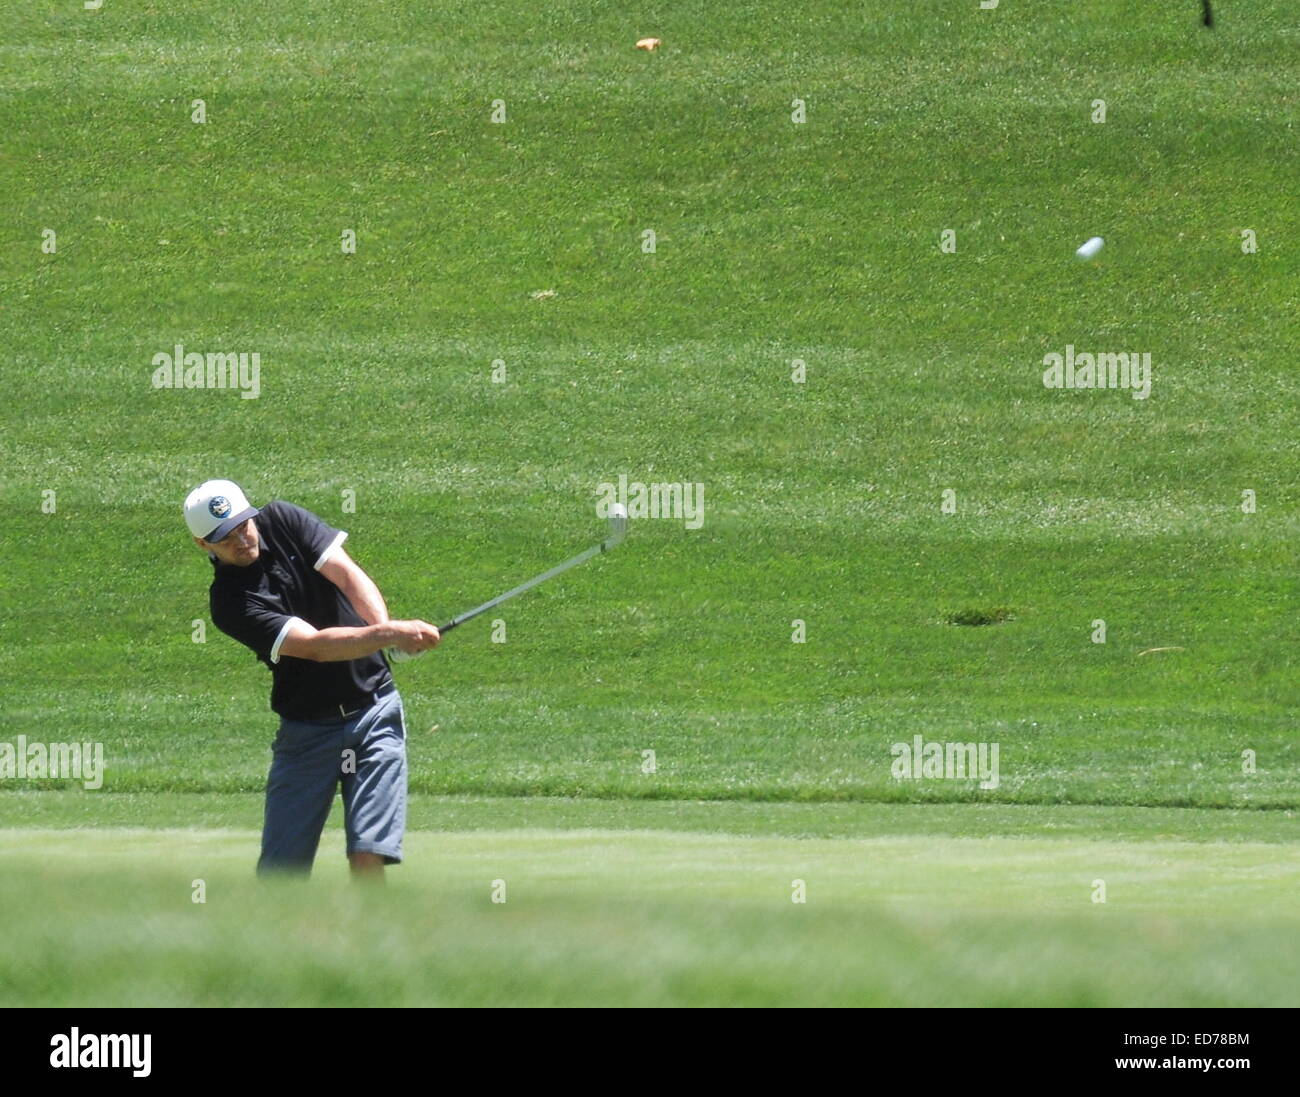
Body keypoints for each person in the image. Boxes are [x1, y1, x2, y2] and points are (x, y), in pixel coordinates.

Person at [182, 479, 440, 879]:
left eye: (243, 526)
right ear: (204, 545)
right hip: (307, 732)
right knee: (282, 872)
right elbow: (316, 646)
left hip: (375, 711)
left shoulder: (283, 519)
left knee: (368, 852)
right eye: (224, 537)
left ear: (252, 514)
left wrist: (386, 631)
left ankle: (371, 938)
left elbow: (348, 575)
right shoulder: (230, 603)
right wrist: (390, 635)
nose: (241, 540)